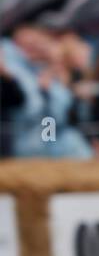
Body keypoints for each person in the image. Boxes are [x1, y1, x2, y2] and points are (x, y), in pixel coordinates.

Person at [0, 22, 92, 158]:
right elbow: (44, 120)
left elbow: (60, 120)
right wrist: (45, 93)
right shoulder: (17, 69)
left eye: (39, 42)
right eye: (30, 44)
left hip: (55, 148)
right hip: (31, 149)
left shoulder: (51, 75)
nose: (37, 47)